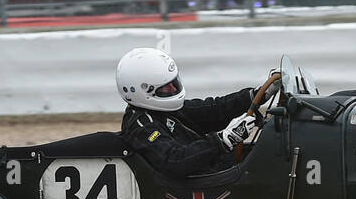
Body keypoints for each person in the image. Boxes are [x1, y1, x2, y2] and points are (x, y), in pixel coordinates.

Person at [116, 47, 278, 180]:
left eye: (174, 83)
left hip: (213, 171)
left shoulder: (166, 109)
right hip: (198, 186)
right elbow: (175, 160)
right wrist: (224, 140)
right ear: (142, 91)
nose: (173, 89)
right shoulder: (142, 126)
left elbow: (214, 109)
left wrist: (260, 93)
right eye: (166, 87)